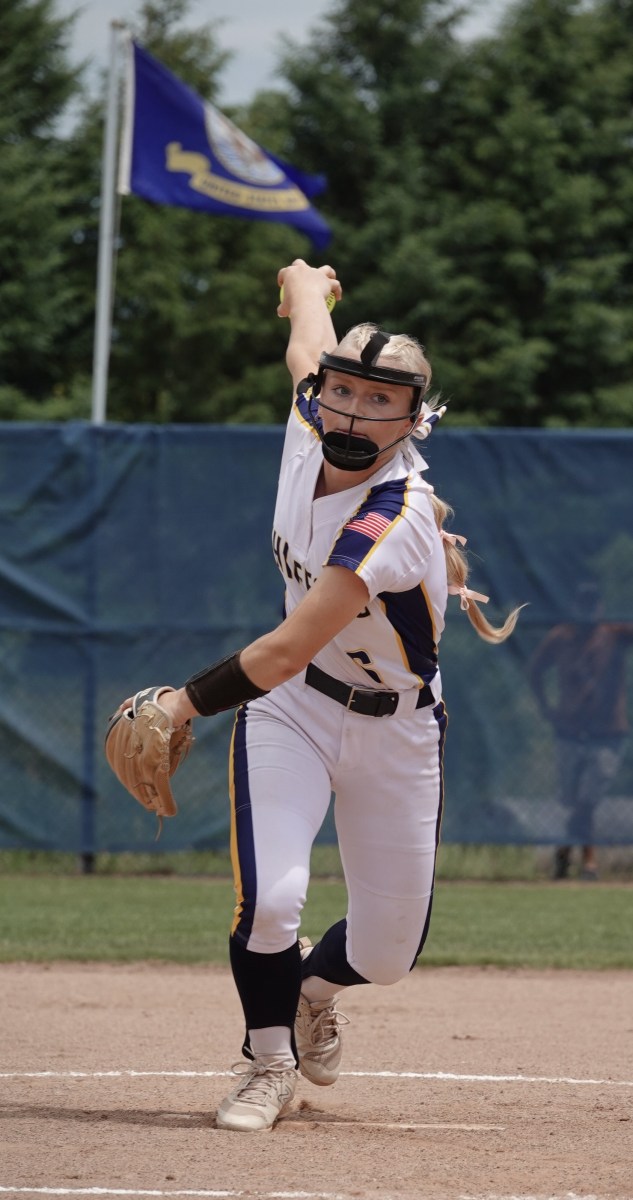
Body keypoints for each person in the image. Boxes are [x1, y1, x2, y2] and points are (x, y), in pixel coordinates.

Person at [120, 259, 521, 1132]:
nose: (352, 412)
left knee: (386, 955)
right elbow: (307, 339)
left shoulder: (394, 515)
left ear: (415, 420)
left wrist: (180, 705)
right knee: (270, 901)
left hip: (395, 729)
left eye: (381, 402)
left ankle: (308, 991)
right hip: (293, 709)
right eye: (341, 392)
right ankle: (267, 1062)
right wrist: (306, 283)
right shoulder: (310, 418)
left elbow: (287, 643)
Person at [529, 580, 633, 881]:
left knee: (589, 796)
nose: (589, 611)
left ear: (600, 607)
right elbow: (535, 671)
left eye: (593, 604)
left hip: (608, 732)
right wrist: (546, 708)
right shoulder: (561, 637)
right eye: (583, 604)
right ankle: (574, 855)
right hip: (570, 729)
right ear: (575, 606)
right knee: (571, 799)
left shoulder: (614, 634)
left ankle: (585, 858)